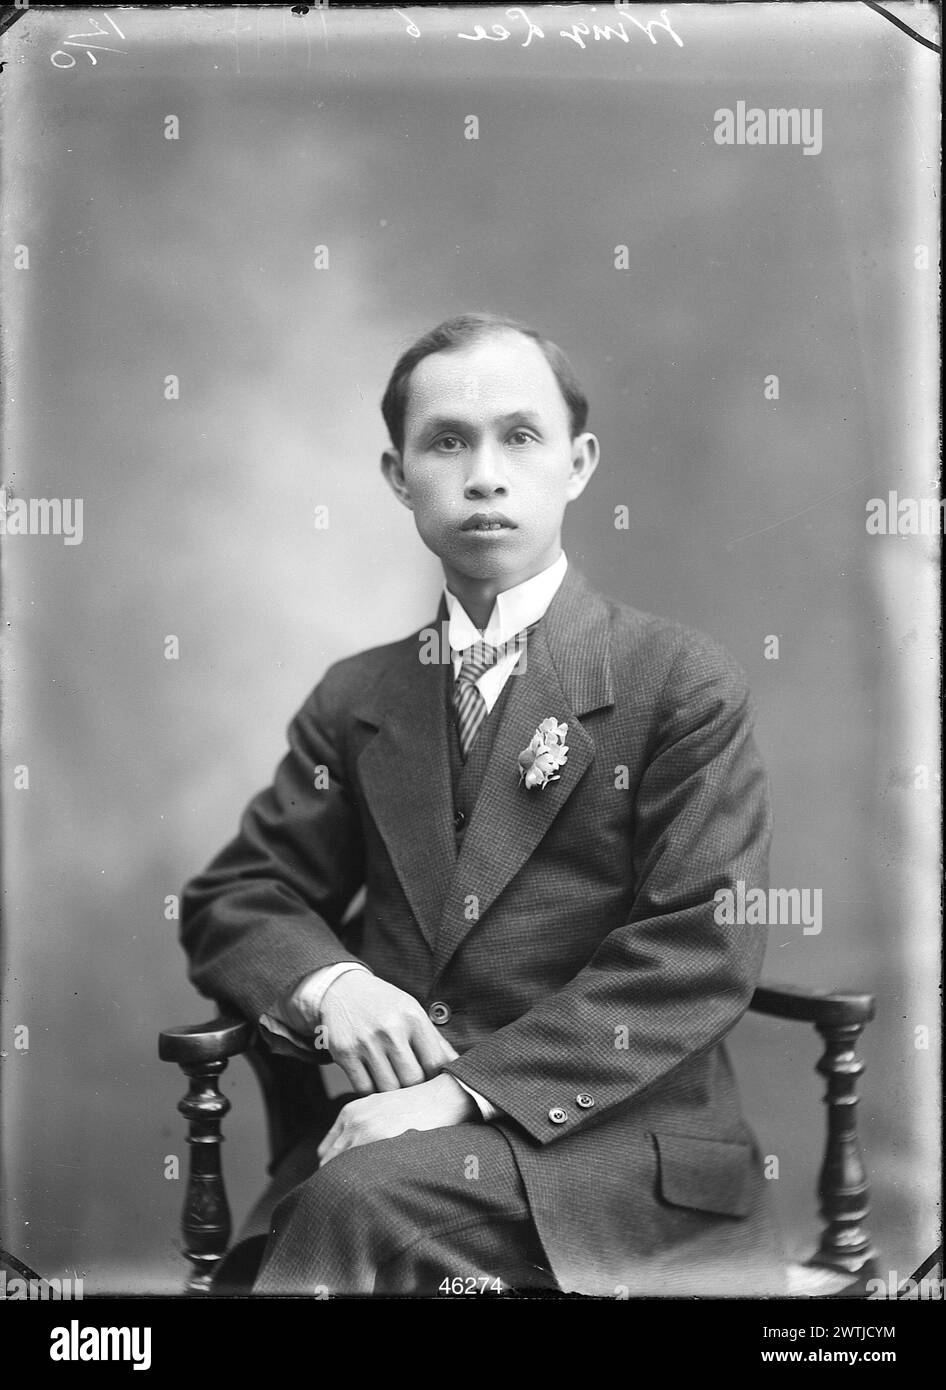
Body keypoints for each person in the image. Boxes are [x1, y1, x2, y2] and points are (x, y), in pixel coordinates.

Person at [180, 312, 785, 1296]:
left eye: (520, 436)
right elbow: (239, 896)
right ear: (395, 475)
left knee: (350, 1209)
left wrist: (461, 1092)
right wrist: (334, 986)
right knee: (340, 1210)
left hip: (619, 1148)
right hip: (405, 1158)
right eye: (447, 442)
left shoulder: (675, 680)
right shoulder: (359, 698)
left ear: (578, 463)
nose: (485, 473)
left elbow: (699, 950)